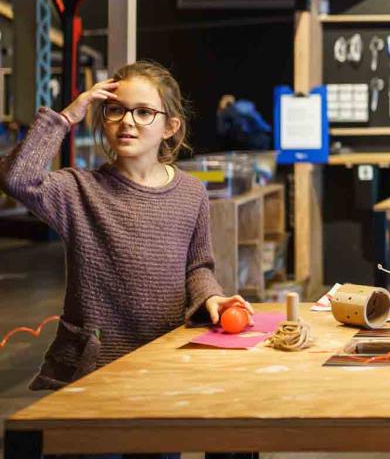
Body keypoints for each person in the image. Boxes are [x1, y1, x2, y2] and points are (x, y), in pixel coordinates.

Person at [0, 60, 250, 391]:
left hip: (164, 359)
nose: (127, 121)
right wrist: (66, 118)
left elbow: (197, 267)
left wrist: (211, 298)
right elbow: (17, 179)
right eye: (116, 110)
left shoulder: (192, 193)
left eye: (144, 112)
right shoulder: (78, 190)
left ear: (170, 126)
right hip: (92, 367)